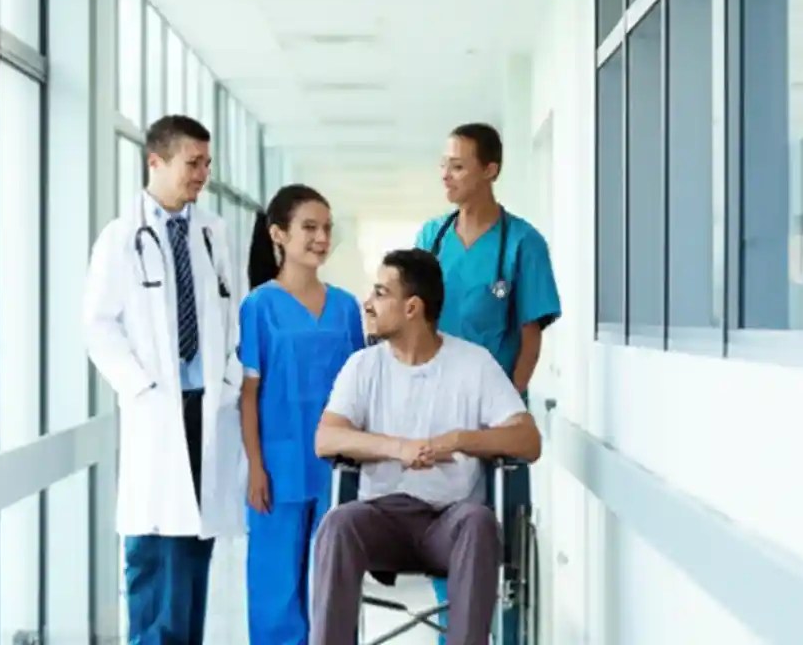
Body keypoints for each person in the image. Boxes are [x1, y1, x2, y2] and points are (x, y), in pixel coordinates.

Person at [310, 249, 542, 645]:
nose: (368, 303)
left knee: (479, 523)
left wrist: (461, 439)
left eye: (381, 293)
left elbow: (528, 440)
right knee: (337, 524)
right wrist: (397, 447)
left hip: (448, 522)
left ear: (412, 307)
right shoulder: (363, 366)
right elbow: (326, 438)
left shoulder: (474, 364)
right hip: (381, 519)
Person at [83, 114, 246, 644]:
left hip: (207, 405)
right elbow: (98, 326)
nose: (202, 174)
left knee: (195, 551)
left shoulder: (213, 233)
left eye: (207, 163)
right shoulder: (120, 238)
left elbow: (233, 316)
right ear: (156, 161)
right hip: (157, 410)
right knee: (156, 556)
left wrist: (227, 381)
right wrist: (143, 388)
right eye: (192, 163)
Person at [413, 123, 561, 640]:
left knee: (503, 558)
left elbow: (530, 338)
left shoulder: (523, 243)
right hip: (437, 412)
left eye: (457, 165)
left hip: (496, 420)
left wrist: (507, 413)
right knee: (442, 548)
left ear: (490, 170)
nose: (446, 175)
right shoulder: (430, 239)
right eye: (443, 164)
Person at [238, 185, 364, 644]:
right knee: (275, 585)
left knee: (335, 581)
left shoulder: (346, 307)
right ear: (278, 234)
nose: (321, 238)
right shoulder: (258, 306)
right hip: (278, 464)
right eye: (309, 227)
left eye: (326, 228)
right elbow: (248, 395)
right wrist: (255, 467)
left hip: (337, 463)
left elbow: (361, 388)